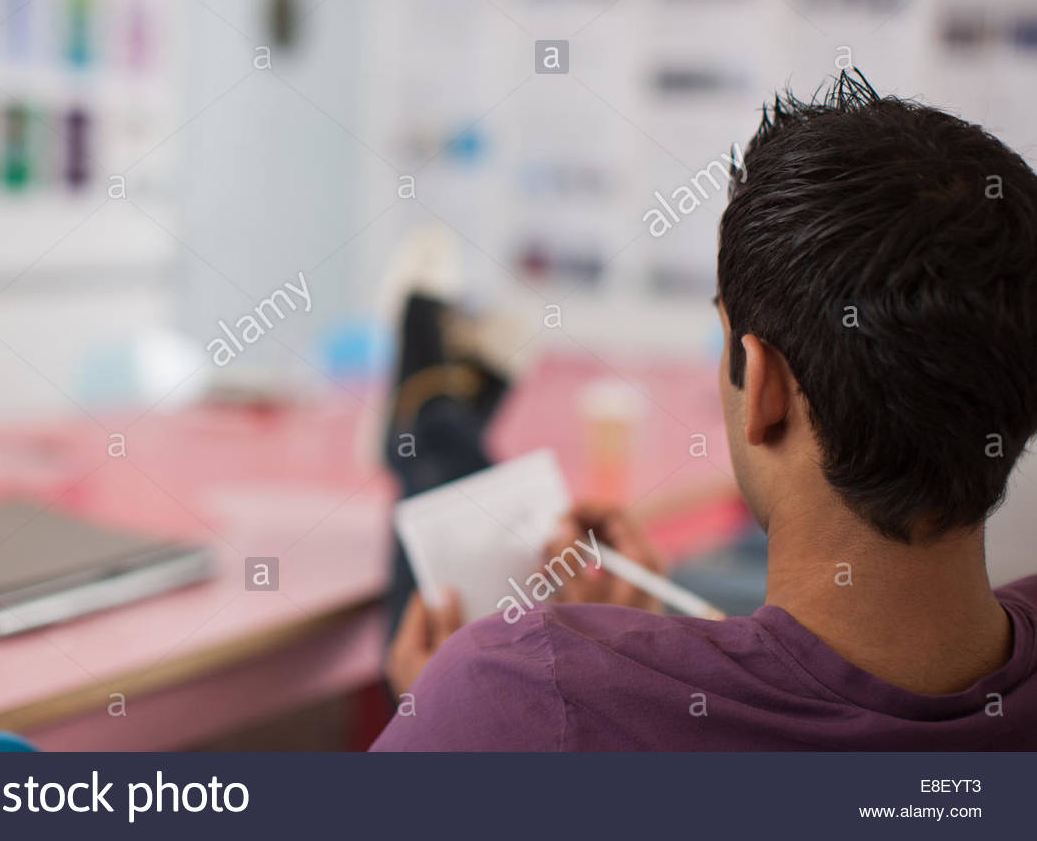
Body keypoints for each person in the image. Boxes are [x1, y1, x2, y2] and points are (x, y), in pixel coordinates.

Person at [372, 71, 1037, 750]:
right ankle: (433, 409)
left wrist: (447, 715)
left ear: (767, 388)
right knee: (440, 456)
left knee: (437, 466)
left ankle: (428, 397)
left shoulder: (506, 693)